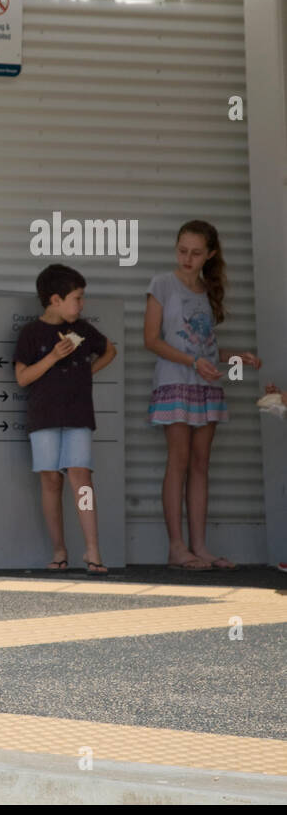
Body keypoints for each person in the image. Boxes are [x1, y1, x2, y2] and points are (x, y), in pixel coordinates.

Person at [144, 220, 262, 571]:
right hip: (175, 382)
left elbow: (204, 346)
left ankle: (200, 546)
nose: (187, 258)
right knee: (178, 461)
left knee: (200, 465)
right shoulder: (162, 284)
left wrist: (235, 357)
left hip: (206, 386)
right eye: (182, 250)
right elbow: (152, 340)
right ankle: (176, 547)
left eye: (196, 253)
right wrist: (194, 361)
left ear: (210, 254)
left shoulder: (209, 291)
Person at [14, 264, 117, 574]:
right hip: (43, 415)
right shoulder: (31, 333)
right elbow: (22, 378)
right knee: (50, 479)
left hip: (77, 413)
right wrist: (54, 357)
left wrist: (86, 373)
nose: (81, 304)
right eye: (77, 298)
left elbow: (110, 351)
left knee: (81, 477)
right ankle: (59, 550)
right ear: (55, 299)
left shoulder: (82, 330)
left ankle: (93, 551)